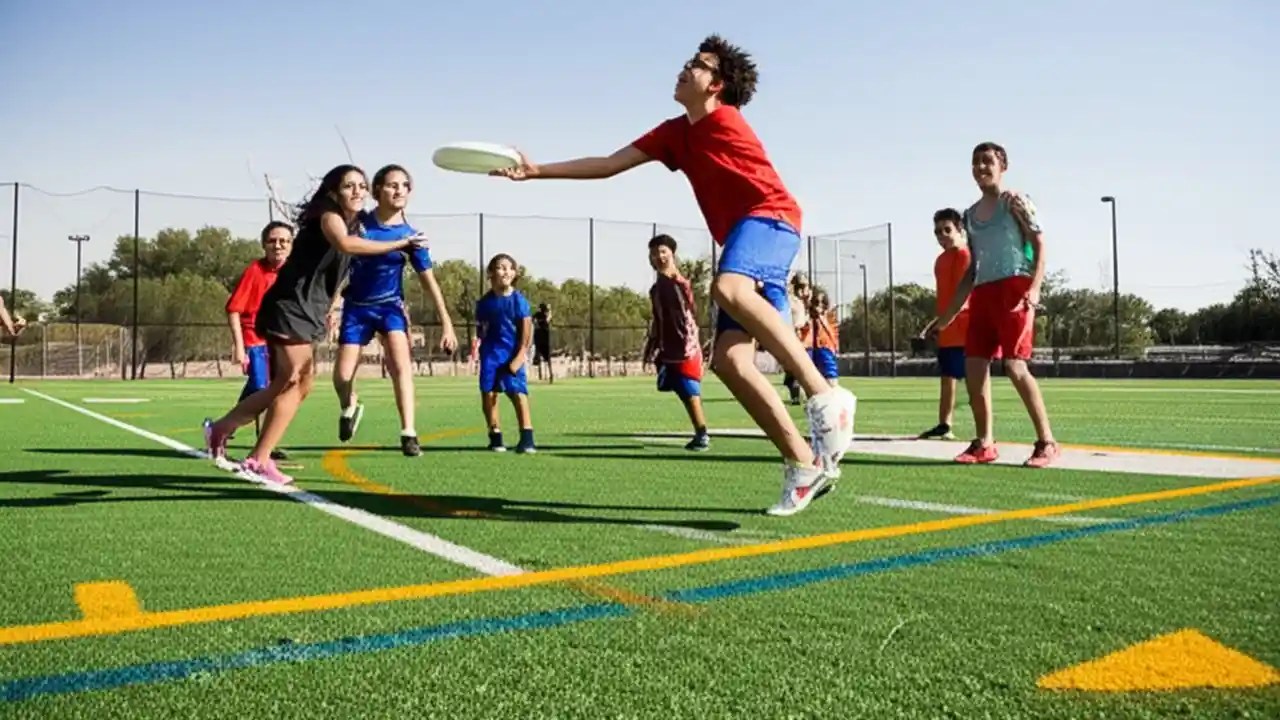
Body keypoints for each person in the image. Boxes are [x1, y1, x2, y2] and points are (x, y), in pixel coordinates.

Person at [490, 34, 856, 516]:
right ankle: (804, 462)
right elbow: (607, 164)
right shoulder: (673, 133)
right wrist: (537, 171)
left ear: (717, 85)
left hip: (772, 220)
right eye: (687, 61)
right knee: (730, 363)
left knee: (727, 287)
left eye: (698, 65)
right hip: (745, 243)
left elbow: (751, 214)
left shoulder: (727, 119)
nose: (685, 69)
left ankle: (826, 395)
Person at [203, 164, 429, 483]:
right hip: (291, 306)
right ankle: (251, 452)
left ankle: (232, 437)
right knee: (292, 379)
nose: (357, 191)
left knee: (297, 384)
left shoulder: (354, 224)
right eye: (349, 186)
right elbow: (346, 247)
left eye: (362, 186)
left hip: (310, 310)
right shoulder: (330, 217)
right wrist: (401, 243)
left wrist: (333, 304)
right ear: (333, 191)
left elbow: (343, 268)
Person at [935, 142, 1060, 468]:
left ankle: (1046, 442)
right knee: (974, 370)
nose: (980, 167)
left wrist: (1034, 288)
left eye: (987, 161)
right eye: (975, 162)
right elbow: (972, 270)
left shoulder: (1015, 202)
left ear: (1002, 165)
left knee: (1016, 367)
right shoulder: (969, 216)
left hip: (1015, 289)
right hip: (984, 294)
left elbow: (1039, 242)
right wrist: (945, 318)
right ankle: (984, 443)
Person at [329, 164, 458, 457]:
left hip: (390, 308)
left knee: (401, 367)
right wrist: (334, 303)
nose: (399, 190)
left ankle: (408, 433)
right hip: (356, 308)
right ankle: (350, 405)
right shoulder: (358, 223)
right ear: (376, 192)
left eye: (404, 185)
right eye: (391, 185)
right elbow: (341, 265)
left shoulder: (412, 237)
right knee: (341, 376)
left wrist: (447, 323)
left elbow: (429, 282)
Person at [225, 220, 294, 461]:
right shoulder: (255, 271)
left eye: (284, 241)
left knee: (273, 389)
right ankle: (226, 428)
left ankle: (255, 438)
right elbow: (233, 309)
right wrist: (239, 347)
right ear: (264, 245)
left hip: (281, 339)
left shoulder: (293, 272)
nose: (278, 245)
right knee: (262, 387)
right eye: (273, 241)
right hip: (255, 337)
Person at [643, 234, 710, 451]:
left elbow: (687, 316)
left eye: (663, 252)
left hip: (684, 347)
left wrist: (687, 345)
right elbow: (658, 319)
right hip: (668, 346)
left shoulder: (678, 284)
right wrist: (652, 344)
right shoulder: (656, 289)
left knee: (688, 387)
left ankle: (702, 434)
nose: (659, 257)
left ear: (672, 254)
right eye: (654, 253)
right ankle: (700, 431)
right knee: (676, 387)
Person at [917, 208, 971, 441]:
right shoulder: (941, 260)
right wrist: (933, 325)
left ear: (960, 230)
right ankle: (944, 424)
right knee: (947, 376)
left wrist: (946, 321)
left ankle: (984, 431)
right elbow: (945, 299)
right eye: (937, 232)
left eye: (947, 230)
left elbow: (964, 296)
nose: (942, 236)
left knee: (974, 380)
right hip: (947, 331)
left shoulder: (965, 256)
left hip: (967, 329)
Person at [475, 253, 536, 454]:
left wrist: (519, 358)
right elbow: (481, 330)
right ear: (491, 273)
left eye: (509, 268)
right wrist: (477, 349)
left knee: (517, 392)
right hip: (491, 354)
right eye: (500, 267)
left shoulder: (519, 302)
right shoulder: (484, 303)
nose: (505, 271)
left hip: (512, 353)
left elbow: (526, 334)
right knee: (489, 393)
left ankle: (527, 437)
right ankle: (495, 435)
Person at [782, 272, 812, 405]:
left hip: (803, 337)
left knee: (799, 369)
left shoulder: (803, 302)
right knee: (793, 369)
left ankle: (801, 393)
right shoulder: (791, 300)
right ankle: (796, 392)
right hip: (793, 335)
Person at [800, 289, 840, 388]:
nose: (818, 306)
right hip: (809, 347)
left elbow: (832, 332)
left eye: (822, 303)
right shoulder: (807, 316)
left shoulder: (829, 316)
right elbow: (803, 329)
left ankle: (832, 389)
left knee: (829, 373)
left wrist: (821, 316)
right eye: (816, 303)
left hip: (825, 347)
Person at [532, 302, 553, 382]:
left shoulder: (541, 316)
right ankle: (547, 375)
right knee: (545, 358)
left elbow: (533, 320)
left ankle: (547, 375)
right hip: (542, 339)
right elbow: (548, 319)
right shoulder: (542, 316)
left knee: (541, 356)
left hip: (541, 339)